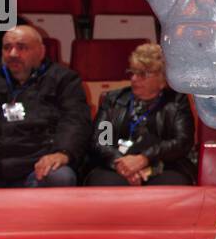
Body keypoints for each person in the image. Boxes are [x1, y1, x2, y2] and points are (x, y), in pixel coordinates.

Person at [0, 23, 91, 186]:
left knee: (60, 177)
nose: (13, 53)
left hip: (37, 165)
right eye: (7, 48)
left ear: (41, 52)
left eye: (22, 48)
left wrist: (63, 153)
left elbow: (75, 121)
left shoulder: (64, 79)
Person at [84, 42, 197, 185]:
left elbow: (182, 142)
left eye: (143, 74)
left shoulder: (177, 101)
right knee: (105, 182)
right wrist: (121, 164)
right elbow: (101, 141)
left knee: (172, 183)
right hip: (115, 165)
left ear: (163, 78)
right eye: (133, 72)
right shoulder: (112, 101)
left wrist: (144, 158)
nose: (134, 79)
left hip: (165, 166)